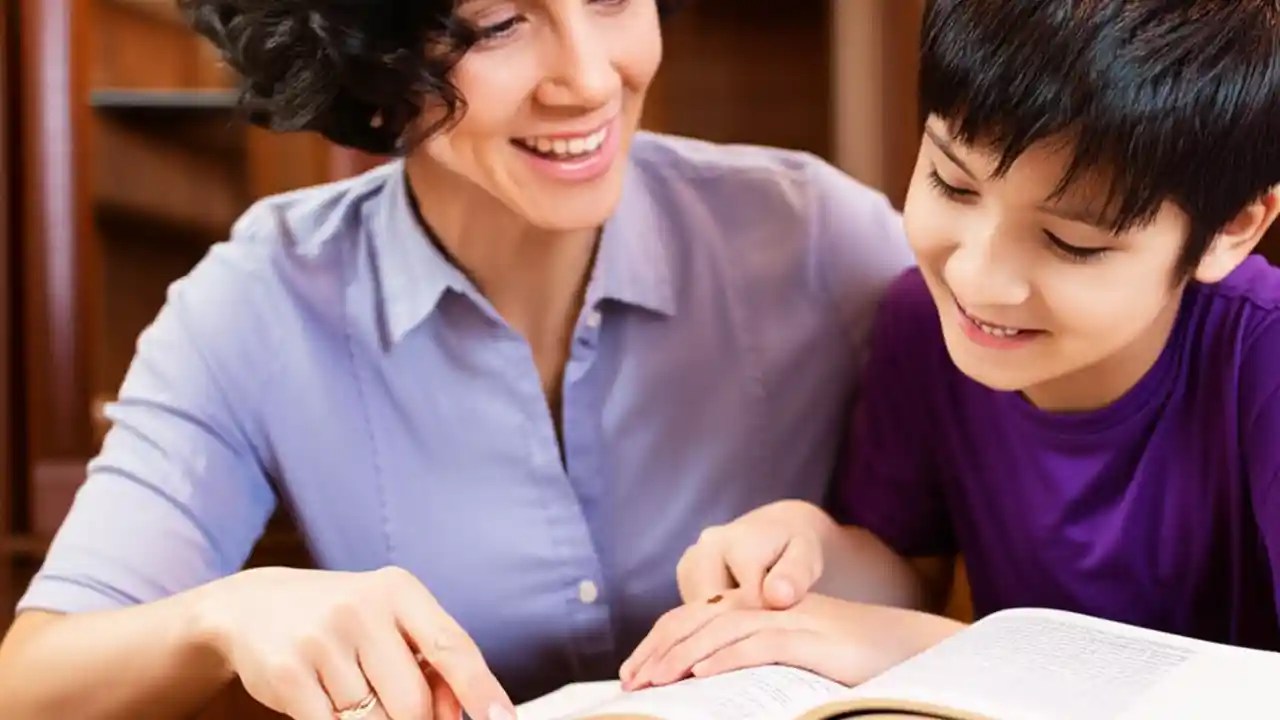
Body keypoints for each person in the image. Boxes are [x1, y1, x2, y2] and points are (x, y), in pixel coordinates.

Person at [0, 0, 913, 719]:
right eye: (498, 25)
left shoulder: (818, 240)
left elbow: (996, 573)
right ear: (375, 51)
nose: (589, 80)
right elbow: (32, 681)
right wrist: (224, 615)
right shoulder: (260, 304)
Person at [620, 0, 1280, 692]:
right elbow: (912, 575)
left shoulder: (1259, 356)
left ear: (1232, 227)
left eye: (1071, 243)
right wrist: (810, 553)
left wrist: (938, 651)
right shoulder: (926, 324)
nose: (976, 277)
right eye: (951, 183)